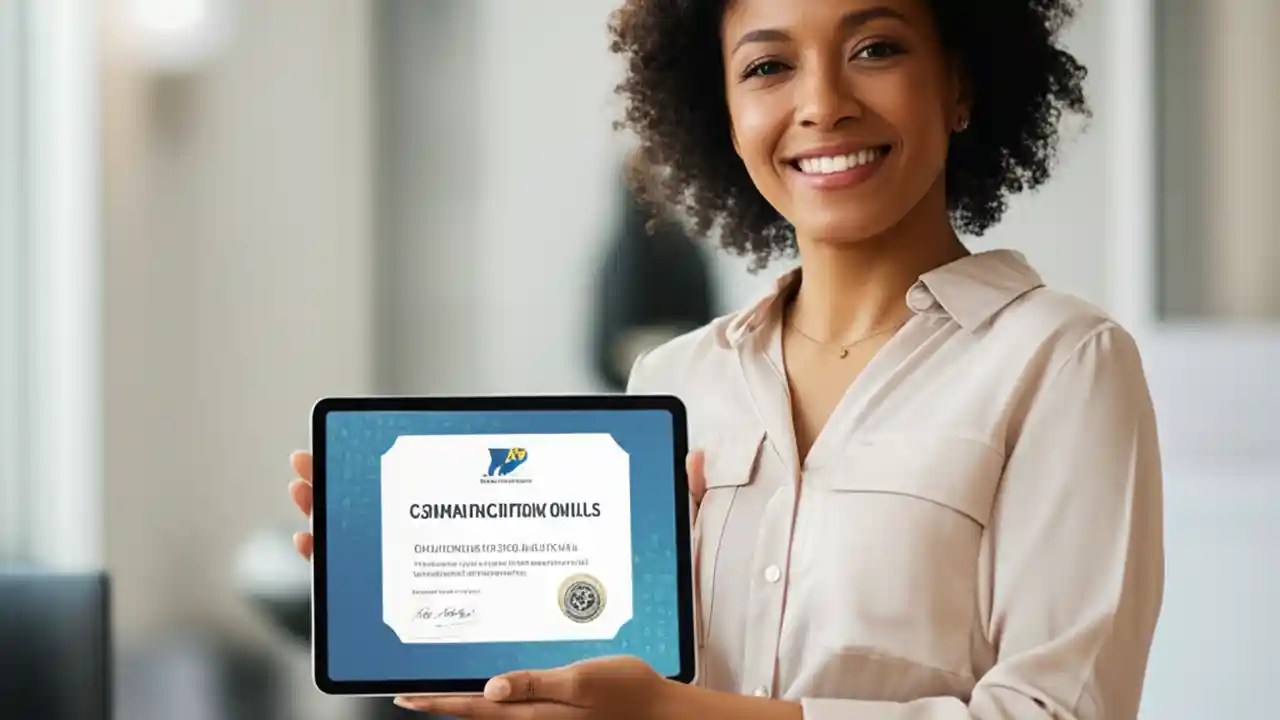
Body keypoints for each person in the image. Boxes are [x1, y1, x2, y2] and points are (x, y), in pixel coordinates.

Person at [287, 0, 1165, 717]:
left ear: (960, 83)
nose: (821, 102)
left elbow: (1059, 713)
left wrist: (684, 719)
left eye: (875, 47)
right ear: (725, 113)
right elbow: (616, 671)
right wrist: (436, 587)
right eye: (767, 66)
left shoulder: (1062, 360)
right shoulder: (674, 380)